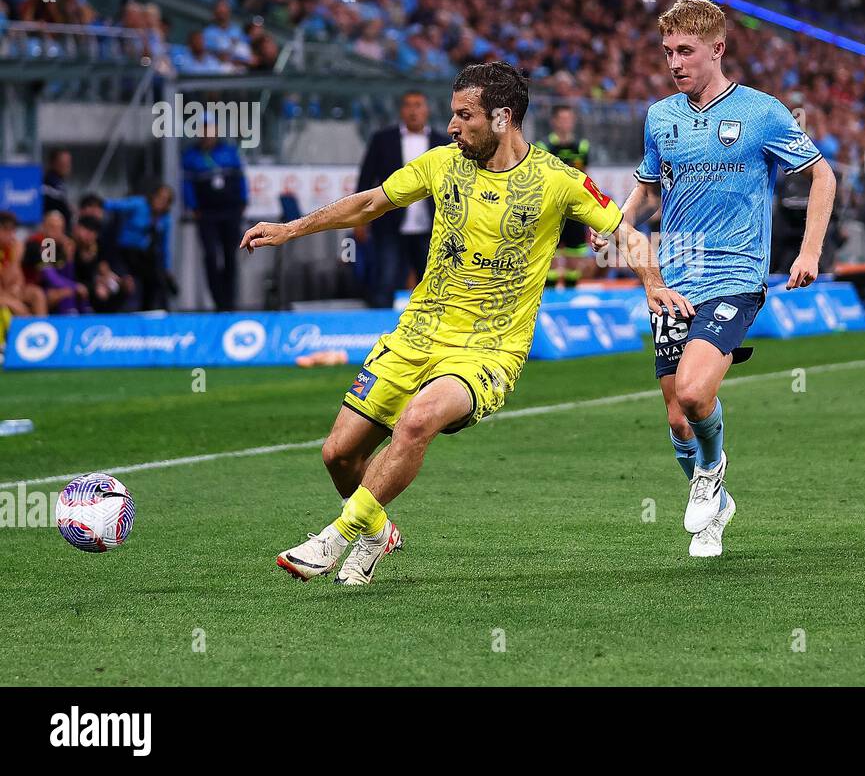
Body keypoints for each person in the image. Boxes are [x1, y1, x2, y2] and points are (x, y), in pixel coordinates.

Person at [241, 62, 684, 587]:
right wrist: (292, 228)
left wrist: (652, 281)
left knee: (417, 420)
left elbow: (625, 234)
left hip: (488, 352)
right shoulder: (440, 164)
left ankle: (334, 537)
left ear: (502, 118)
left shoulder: (558, 181)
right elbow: (372, 201)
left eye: (463, 115)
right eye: (452, 114)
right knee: (338, 455)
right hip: (416, 335)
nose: (451, 125)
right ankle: (378, 531)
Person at [612, 0, 837, 558]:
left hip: (736, 274)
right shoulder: (661, 116)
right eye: (668, 52)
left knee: (694, 391)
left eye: (685, 51)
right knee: (676, 417)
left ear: (718, 48)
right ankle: (716, 502)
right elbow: (647, 189)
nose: (675, 62)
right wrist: (616, 224)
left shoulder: (762, 112)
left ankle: (712, 471)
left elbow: (822, 175)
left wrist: (809, 251)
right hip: (672, 278)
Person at [354, 90, 449, 307]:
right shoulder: (382, 140)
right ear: (401, 110)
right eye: (408, 105)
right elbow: (365, 179)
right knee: (385, 280)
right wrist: (360, 220)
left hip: (431, 227)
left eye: (418, 105)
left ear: (427, 110)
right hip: (389, 224)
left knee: (433, 284)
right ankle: (377, 332)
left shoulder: (442, 143)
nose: (413, 110)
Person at [182, 119, 248, 310]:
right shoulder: (191, 156)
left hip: (230, 211)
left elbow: (240, 178)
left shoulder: (229, 152)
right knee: (211, 255)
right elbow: (187, 184)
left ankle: (230, 301)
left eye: (210, 129)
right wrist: (193, 206)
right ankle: (218, 301)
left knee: (230, 255)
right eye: (203, 130)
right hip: (207, 214)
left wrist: (242, 201)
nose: (207, 134)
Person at [537, 105, 595, 287]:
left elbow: (584, 176)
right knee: (550, 260)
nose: (565, 123)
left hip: (575, 210)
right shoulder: (543, 147)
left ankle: (569, 295)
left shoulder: (582, 147)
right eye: (561, 119)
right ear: (554, 122)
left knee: (574, 260)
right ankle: (548, 301)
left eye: (569, 119)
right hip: (551, 209)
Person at [105, 182, 175, 311]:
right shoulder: (139, 204)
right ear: (153, 196)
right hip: (125, 252)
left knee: (156, 280)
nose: (161, 202)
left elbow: (164, 246)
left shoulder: (165, 219)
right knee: (128, 282)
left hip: (145, 255)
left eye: (165, 200)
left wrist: (166, 268)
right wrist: (97, 206)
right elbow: (116, 205)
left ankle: (149, 311)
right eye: (159, 197)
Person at [42, 148, 73, 226]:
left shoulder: (60, 183)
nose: (67, 166)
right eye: (63, 163)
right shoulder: (47, 184)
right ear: (53, 163)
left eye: (68, 163)